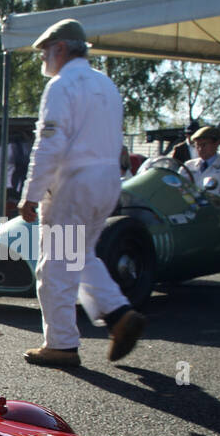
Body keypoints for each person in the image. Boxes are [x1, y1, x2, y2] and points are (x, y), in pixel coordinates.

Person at [18, 18, 145, 367]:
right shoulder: (106, 85)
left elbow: (49, 144)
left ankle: (61, 343)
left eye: (45, 51)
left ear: (60, 48)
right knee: (80, 256)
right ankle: (119, 313)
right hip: (106, 181)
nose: (44, 58)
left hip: (74, 183)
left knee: (56, 267)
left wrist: (31, 193)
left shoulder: (62, 86)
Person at [184, 126, 220, 196]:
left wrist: (215, 200)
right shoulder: (188, 165)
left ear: (216, 144)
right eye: (197, 145)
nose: (200, 149)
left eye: (204, 145)